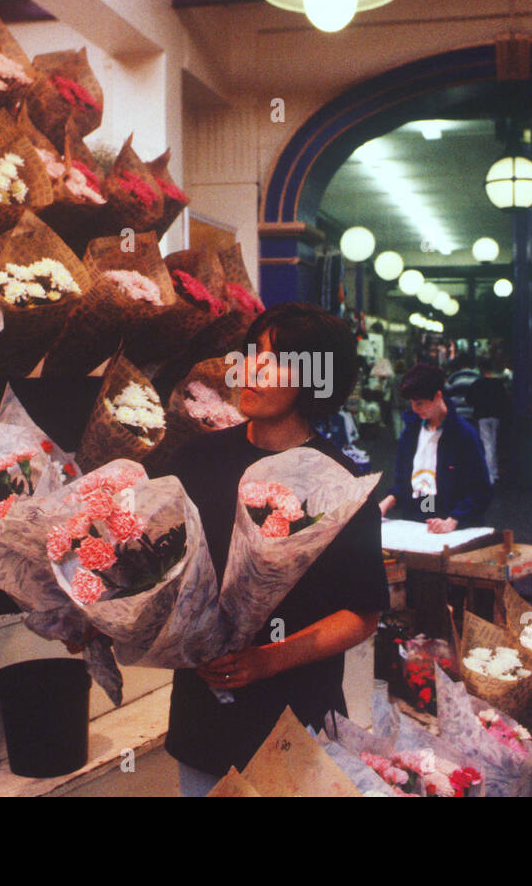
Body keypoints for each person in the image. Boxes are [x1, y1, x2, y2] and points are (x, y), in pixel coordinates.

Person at [165, 303, 389, 796]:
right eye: (253, 354)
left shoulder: (339, 484)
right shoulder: (196, 459)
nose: (254, 370)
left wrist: (267, 659)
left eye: (279, 360)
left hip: (296, 721)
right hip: (203, 722)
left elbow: (362, 613)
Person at [378, 362, 492, 532]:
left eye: (420, 403)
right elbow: (404, 482)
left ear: (438, 396)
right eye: (411, 403)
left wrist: (454, 519)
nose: (414, 409)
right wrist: (385, 503)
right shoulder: (411, 432)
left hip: (453, 525)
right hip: (419, 517)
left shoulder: (464, 434)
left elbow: (480, 490)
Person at [466, 358, 510, 484]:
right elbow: (504, 399)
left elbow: (469, 400)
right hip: (496, 415)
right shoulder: (498, 383)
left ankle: (489, 474)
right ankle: (494, 473)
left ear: (481, 369)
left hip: (482, 416)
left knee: (486, 444)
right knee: (493, 443)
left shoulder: (477, 384)